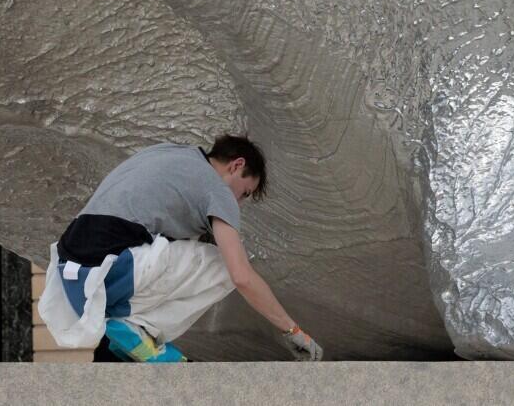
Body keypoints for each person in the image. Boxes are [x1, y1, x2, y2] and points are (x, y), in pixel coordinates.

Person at [39, 133, 321, 363]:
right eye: (244, 193)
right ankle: (139, 326)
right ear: (236, 165)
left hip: (73, 282)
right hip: (108, 274)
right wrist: (293, 330)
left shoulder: (169, 153)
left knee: (181, 248)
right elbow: (241, 276)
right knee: (224, 265)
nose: (238, 203)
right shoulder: (217, 190)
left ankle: (130, 335)